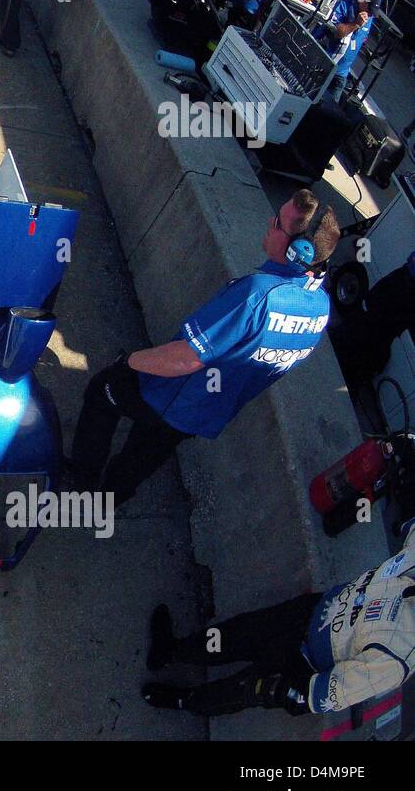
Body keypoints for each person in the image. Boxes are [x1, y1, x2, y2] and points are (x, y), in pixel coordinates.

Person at [66, 190, 340, 505]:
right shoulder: (320, 308)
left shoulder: (258, 295)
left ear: (298, 250)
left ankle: (81, 482)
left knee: (103, 391)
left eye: (278, 222)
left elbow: (186, 359)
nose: (269, 222)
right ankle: (109, 500)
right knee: (147, 451)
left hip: (174, 394)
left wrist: (128, 361)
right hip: (206, 411)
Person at [143, 509, 415, 718]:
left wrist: (289, 692)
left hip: (301, 662)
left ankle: (184, 700)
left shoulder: (399, 656)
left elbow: (332, 694)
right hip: (312, 611)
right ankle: (170, 652)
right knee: (234, 634)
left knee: (239, 690)